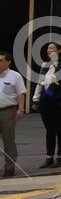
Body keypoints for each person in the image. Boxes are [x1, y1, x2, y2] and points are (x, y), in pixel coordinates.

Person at [33, 41, 61, 168]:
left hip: (59, 101)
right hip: (46, 99)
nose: (49, 50)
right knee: (49, 129)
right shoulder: (45, 65)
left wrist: (58, 80)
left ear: (59, 50)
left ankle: (60, 156)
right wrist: (35, 98)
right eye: (48, 48)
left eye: (53, 48)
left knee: (60, 129)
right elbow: (40, 82)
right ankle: (49, 156)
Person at [0, 50, 24, 178]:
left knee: (8, 140)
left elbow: (21, 93)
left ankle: (9, 168)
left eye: (1, 60)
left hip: (8, 111)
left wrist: (20, 109)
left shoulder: (15, 76)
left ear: (8, 62)